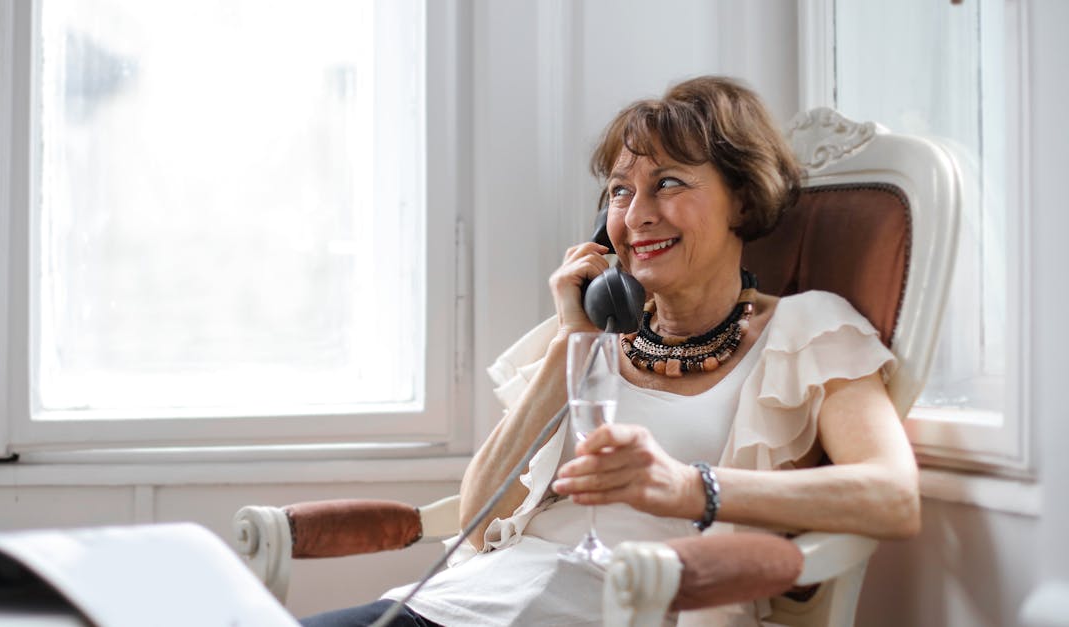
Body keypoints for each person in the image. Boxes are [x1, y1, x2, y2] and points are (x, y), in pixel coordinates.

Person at [301, 75, 920, 627]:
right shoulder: (597, 331)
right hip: (452, 607)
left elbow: (893, 496)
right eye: (620, 193)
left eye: (668, 184)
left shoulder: (807, 330)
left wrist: (690, 487)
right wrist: (575, 336)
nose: (637, 216)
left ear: (744, 198)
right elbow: (480, 519)